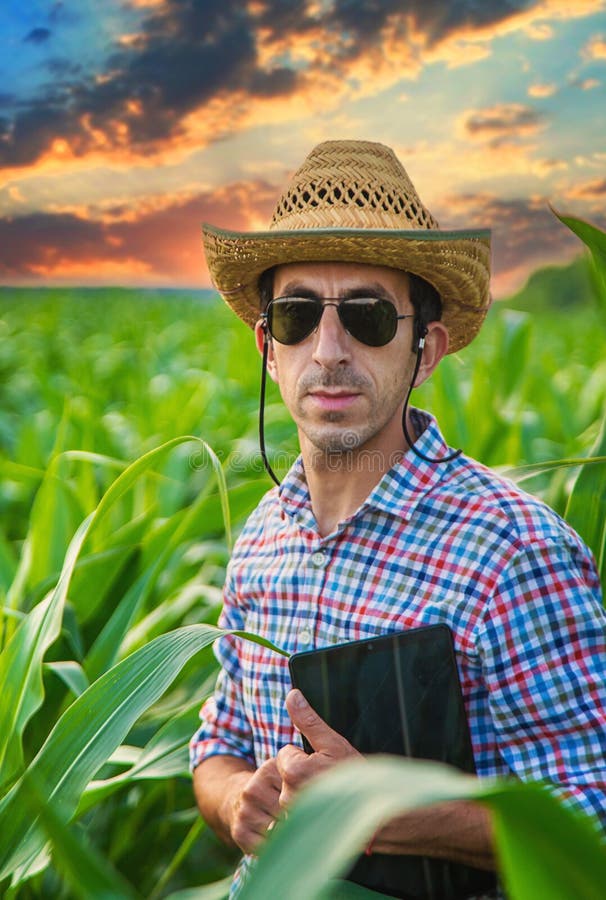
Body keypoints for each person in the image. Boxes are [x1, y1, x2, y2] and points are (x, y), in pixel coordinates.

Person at [190, 140, 606, 896]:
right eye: (295, 316)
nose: (330, 350)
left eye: (369, 316)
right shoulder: (260, 539)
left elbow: (590, 819)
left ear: (426, 348)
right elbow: (216, 745)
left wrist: (379, 810)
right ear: (267, 350)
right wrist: (234, 802)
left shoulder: (514, 551)